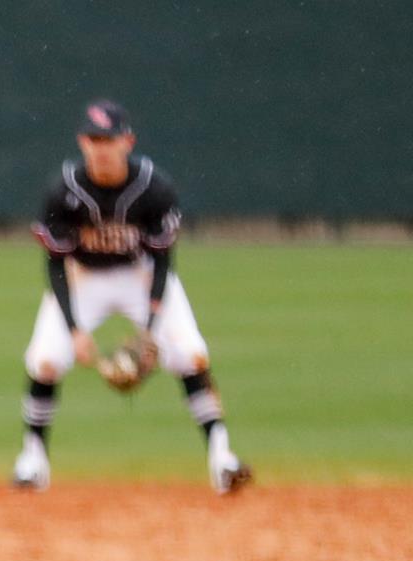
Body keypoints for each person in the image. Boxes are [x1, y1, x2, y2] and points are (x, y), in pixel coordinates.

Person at [13, 100, 252, 494]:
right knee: (45, 360)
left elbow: (163, 259)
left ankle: (222, 457)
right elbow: (55, 264)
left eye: (108, 139)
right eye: (93, 140)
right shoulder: (63, 190)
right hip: (82, 277)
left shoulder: (154, 188)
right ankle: (32, 460)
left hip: (140, 276)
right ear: (82, 142)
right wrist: (74, 330)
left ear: (128, 141)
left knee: (191, 354)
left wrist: (151, 328)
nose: (101, 148)